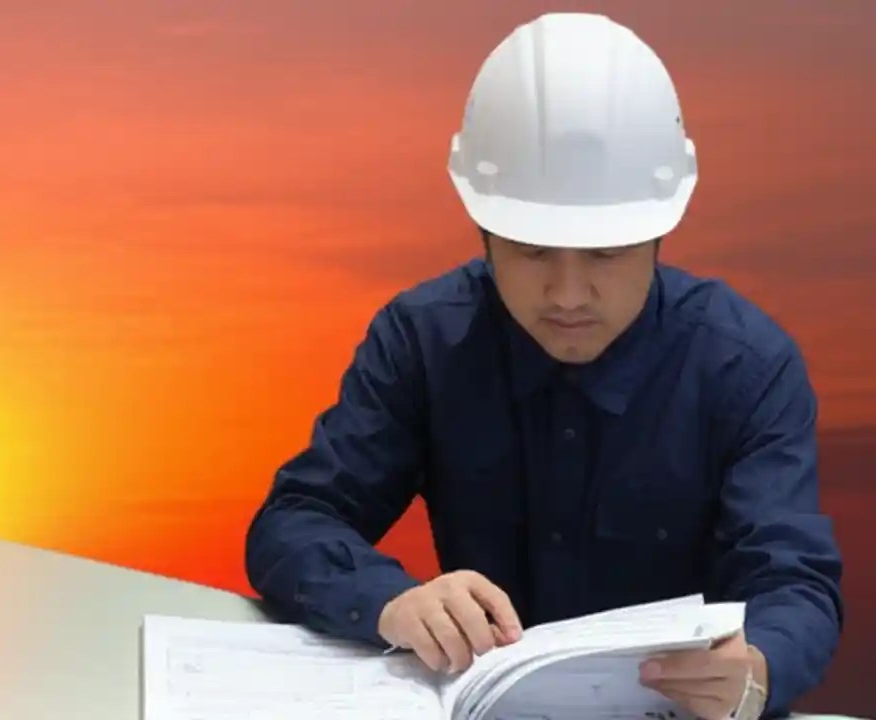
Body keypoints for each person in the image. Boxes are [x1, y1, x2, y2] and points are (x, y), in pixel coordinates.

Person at [243, 11, 843, 720]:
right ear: (482, 227)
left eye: (604, 255)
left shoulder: (746, 367)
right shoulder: (423, 339)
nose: (566, 296)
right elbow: (295, 520)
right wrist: (390, 601)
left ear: (659, 230)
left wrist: (759, 666)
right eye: (530, 251)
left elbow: (795, 582)